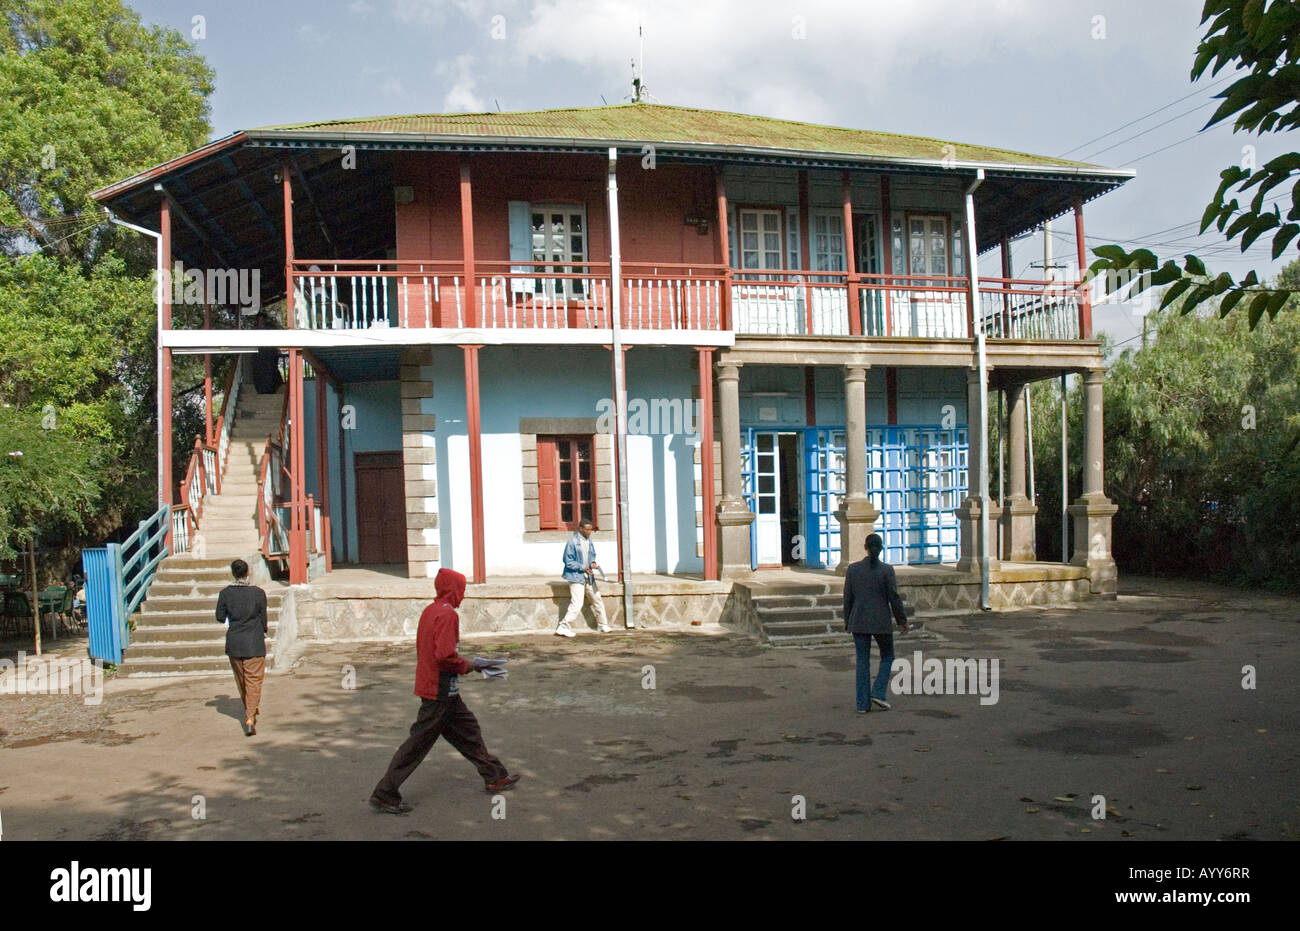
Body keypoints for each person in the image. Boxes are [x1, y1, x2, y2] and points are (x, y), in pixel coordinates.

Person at [369, 568, 520, 814]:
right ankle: (385, 792)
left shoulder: (430, 611)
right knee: (417, 744)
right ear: (454, 590)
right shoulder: (448, 615)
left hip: (438, 687)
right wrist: (468, 665)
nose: (463, 595)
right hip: (439, 689)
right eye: (461, 590)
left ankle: (494, 775)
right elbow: (445, 656)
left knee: (469, 732)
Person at [842, 533, 909, 713]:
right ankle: (878, 692)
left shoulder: (853, 569)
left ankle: (862, 705)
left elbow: (847, 597)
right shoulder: (887, 570)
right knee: (887, 656)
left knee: (862, 661)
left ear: (865, 547)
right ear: (881, 549)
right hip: (881, 622)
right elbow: (893, 597)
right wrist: (902, 620)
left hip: (859, 620)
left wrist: (847, 620)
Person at [215, 559, 269, 736]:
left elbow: (220, 617)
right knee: (253, 680)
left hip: (235, 643)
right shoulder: (258, 593)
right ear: (248, 573)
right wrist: (263, 631)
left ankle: (250, 709)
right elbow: (263, 618)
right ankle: (250, 717)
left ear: (233, 573)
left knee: (242, 680)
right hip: (254, 642)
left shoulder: (225, 594)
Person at [556, 518, 611, 637]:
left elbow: (592, 555)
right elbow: (567, 561)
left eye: (590, 530)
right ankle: (563, 627)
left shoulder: (589, 540)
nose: (589, 532)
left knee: (597, 600)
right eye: (587, 530)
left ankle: (603, 625)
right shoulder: (572, 541)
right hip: (576, 576)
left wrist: (592, 563)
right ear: (580, 528)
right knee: (577, 603)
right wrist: (583, 567)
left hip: (588, 576)